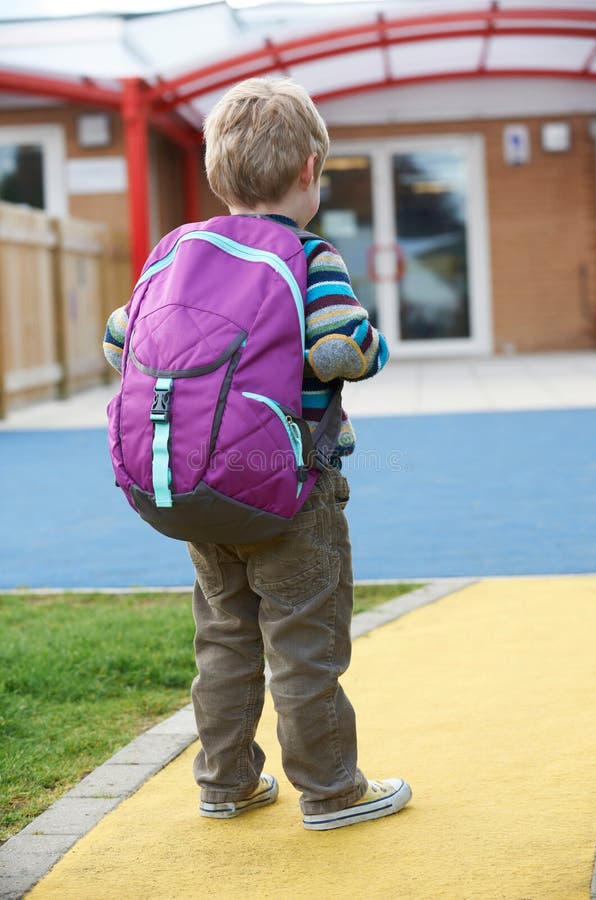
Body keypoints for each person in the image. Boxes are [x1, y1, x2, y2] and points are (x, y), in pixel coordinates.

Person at [103, 77, 411, 831]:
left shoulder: (176, 252)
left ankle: (226, 783)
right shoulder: (311, 255)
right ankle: (332, 791)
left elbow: (119, 339)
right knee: (304, 646)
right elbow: (341, 345)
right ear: (311, 169)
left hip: (201, 486)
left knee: (225, 639)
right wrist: (368, 346)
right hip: (291, 490)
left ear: (217, 173)